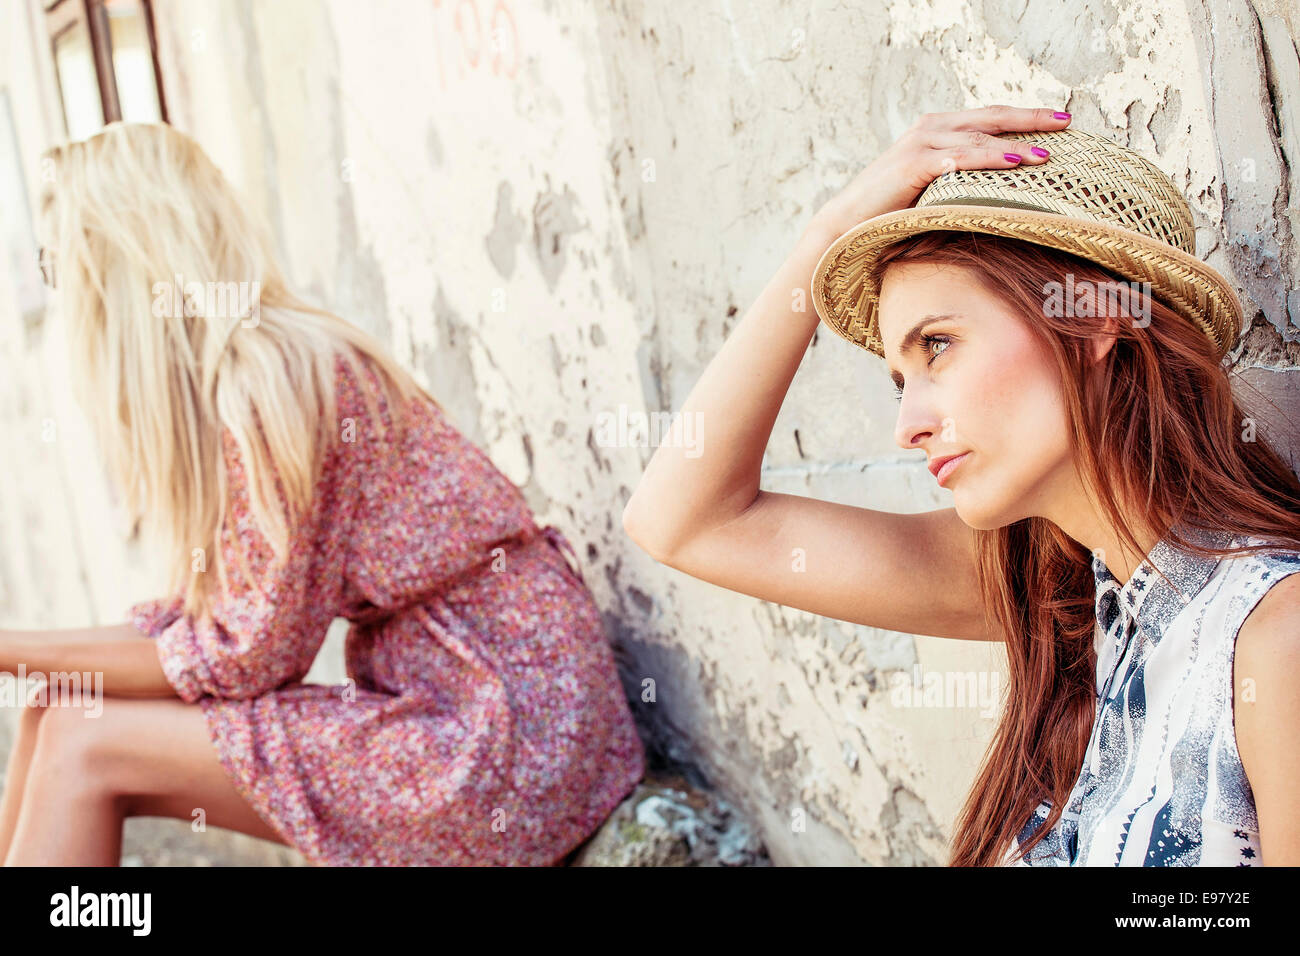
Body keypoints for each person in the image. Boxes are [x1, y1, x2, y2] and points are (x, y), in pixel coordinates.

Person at [623, 105, 1300, 866]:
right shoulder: (1060, 590)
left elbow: (692, 522)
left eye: (938, 345)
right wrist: (825, 236)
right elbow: (680, 520)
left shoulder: (1273, 639)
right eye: (898, 381)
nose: (907, 426)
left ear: (1098, 316)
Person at [0, 121, 644, 866]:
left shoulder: (274, 378)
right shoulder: (247, 376)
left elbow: (247, 659)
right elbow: (196, 627)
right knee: (58, 707)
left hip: (510, 729)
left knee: (84, 741)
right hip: (460, 704)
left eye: (59, 262)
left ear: (115, 265)